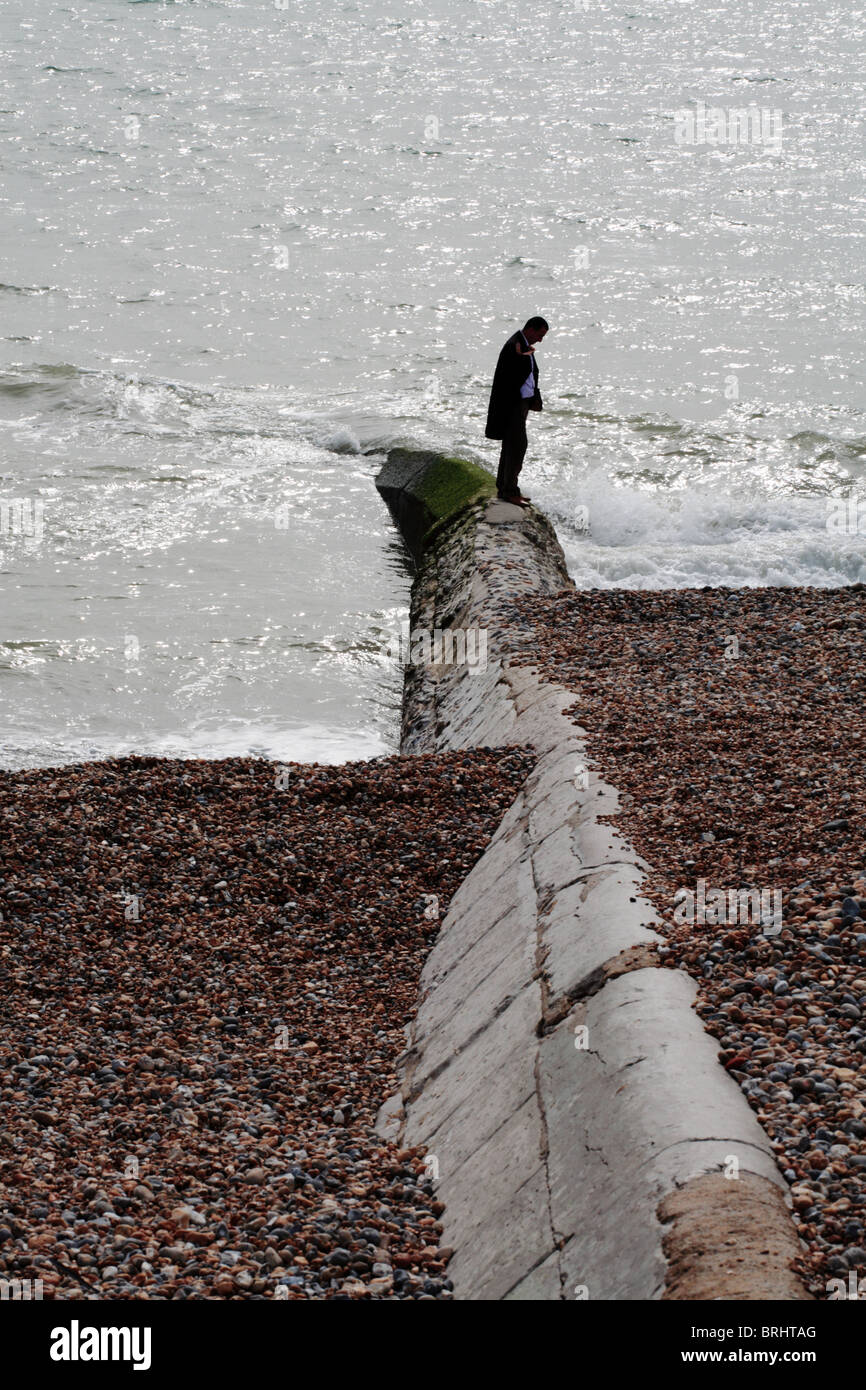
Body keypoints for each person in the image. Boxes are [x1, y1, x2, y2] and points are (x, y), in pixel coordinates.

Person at [485, 316, 548, 506]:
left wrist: (532, 399)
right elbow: (509, 380)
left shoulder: (522, 343)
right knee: (517, 446)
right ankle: (510, 491)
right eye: (540, 334)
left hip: (521, 404)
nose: (541, 339)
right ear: (530, 329)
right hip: (512, 405)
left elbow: (528, 376)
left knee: (512, 446)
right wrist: (519, 403)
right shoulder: (516, 346)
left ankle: (504, 487)